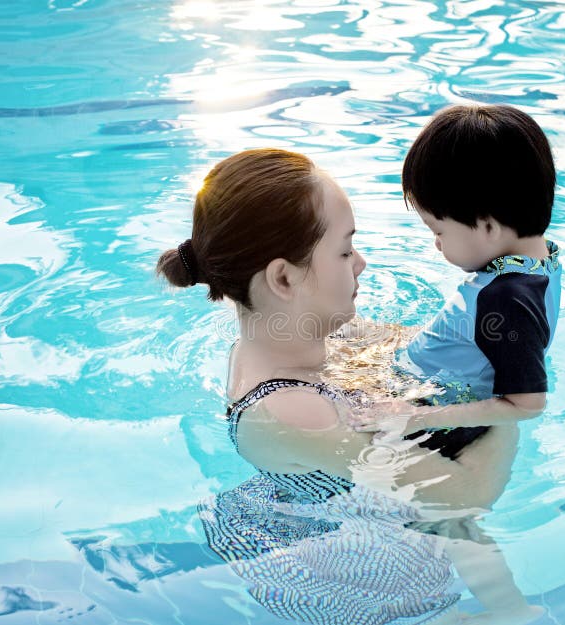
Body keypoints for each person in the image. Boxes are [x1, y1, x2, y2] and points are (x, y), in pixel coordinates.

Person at [157, 148, 542, 624]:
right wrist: (508, 404)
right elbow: (465, 495)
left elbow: (421, 352)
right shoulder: (288, 410)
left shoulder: (308, 335)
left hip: (352, 508)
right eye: (344, 251)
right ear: (284, 277)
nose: (361, 262)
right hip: (350, 578)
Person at [355, 104, 563, 461]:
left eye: (439, 230)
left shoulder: (507, 298)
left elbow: (527, 404)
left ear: (488, 227)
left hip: (434, 418)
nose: (436, 242)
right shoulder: (541, 261)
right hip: (430, 382)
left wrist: (415, 417)